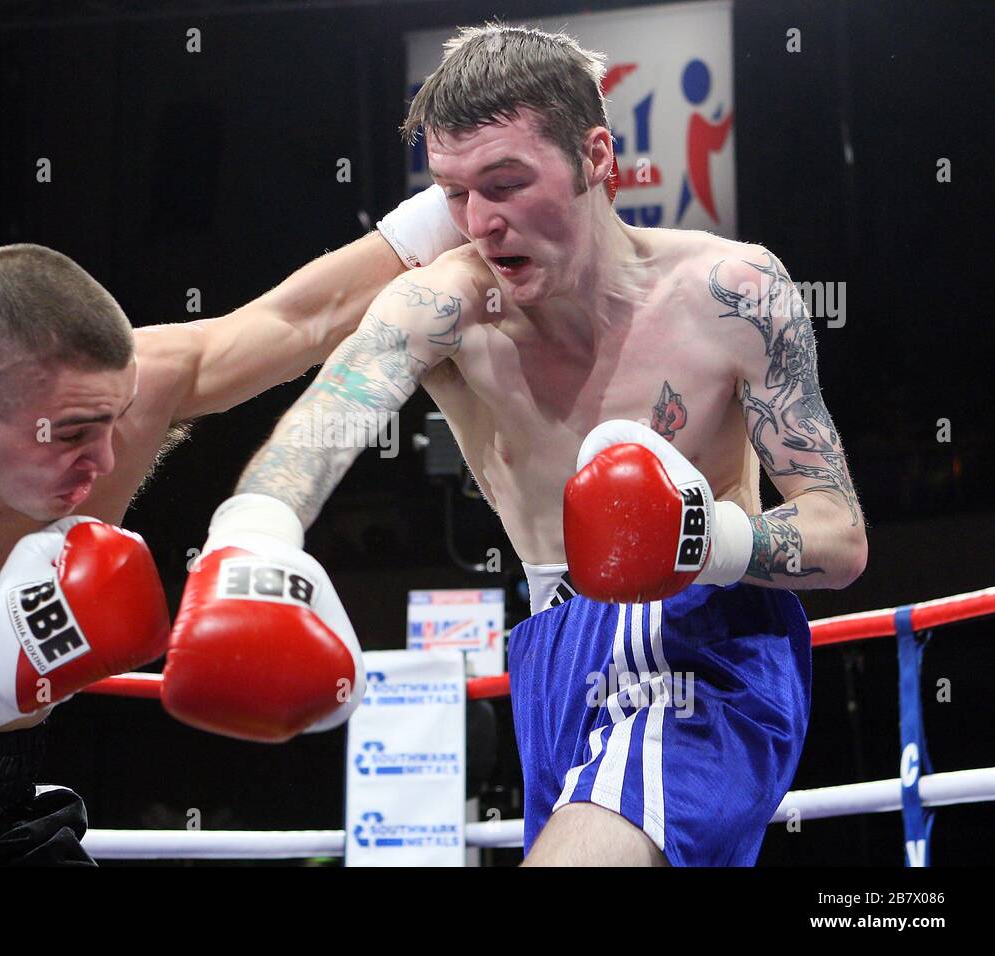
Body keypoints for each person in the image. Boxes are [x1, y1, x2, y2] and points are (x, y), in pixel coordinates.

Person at [167, 24, 867, 866]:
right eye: (455, 195)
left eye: (506, 183)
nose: (482, 224)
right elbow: (338, 406)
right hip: (553, 650)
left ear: (597, 156)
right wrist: (257, 532)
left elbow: (840, 536)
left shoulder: (733, 293)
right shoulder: (443, 307)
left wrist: (703, 539)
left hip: (709, 644)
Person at [0, 190, 466, 866]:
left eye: (114, 420)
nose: (104, 460)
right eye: (68, 434)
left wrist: (460, 199)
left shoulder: (126, 396)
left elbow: (303, 318)